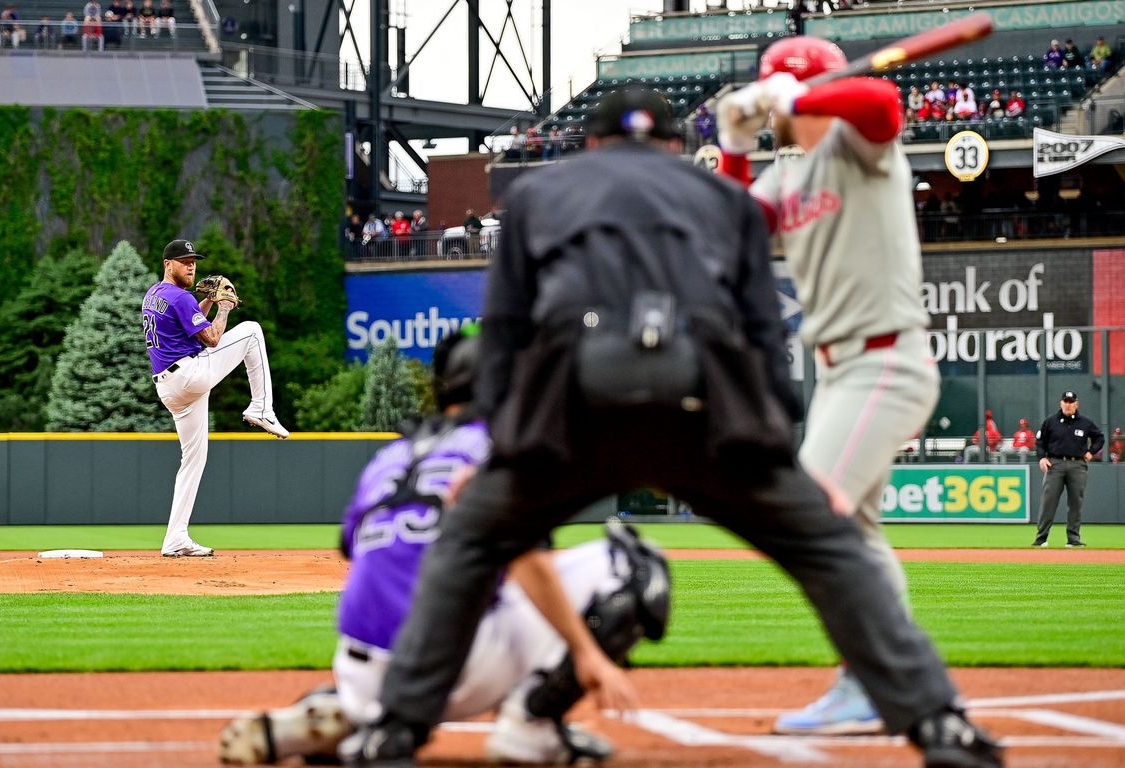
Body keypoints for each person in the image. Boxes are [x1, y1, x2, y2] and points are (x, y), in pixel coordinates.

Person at [340, 85, 1001, 768]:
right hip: (703, 401)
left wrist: (498, 450)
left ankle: (394, 728)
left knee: (471, 539)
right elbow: (760, 333)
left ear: (591, 144)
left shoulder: (538, 196)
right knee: (832, 549)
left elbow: (505, 338)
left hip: (575, 406)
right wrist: (780, 455)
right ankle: (940, 724)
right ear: (675, 147)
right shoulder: (724, 200)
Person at [219, 328, 668, 765]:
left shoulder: (393, 454)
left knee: (459, 579)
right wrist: (588, 654)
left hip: (358, 664)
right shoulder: (496, 447)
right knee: (634, 566)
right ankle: (530, 729)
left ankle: (353, 709)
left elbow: (352, 547)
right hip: (444, 670)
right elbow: (527, 559)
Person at [715, 37, 960, 741]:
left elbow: (882, 103)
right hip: (838, 372)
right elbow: (727, 234)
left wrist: (802, 95)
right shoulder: (786, 176)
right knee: (852, 531)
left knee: (813, 513)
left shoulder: (862, 147)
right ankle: (885, 679)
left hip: (885, 360)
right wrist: (735, 148)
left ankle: (877, 679)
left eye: (776, 95)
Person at [142, 239, 289, 558]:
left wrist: (206, 302)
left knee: (193, 459)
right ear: (168, 264)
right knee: (251, 331)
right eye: (184, 261)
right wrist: (223, 306)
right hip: (189, 375)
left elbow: (189, 323)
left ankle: (175, 537)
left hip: (171, 388)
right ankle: (261, 407)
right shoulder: (180, 297)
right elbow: (210, 338)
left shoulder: (155, 294)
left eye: (193, 260)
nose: (191, 265)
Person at [1032, 391, 1103, 548]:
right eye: (1066, 401)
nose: (1068, 404)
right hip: (1055, 463)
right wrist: (1042, 457)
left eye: (1071, 401)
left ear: (1077, 404)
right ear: (1061, 403)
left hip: (1077, 464)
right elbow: (1040, 441)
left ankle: (1073, 538)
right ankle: (1041, 537)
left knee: (1075, 502)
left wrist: (1091, 452)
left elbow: (1100, 437)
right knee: (1048, 501)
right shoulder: (1051, 421)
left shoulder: (1085, 422)